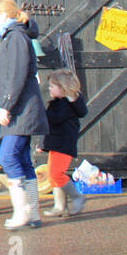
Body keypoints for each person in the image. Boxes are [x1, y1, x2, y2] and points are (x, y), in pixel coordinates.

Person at [0, 0, 49, 230]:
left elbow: (16, 75)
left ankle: (22, 213)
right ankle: (32, 213)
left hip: (20, 110)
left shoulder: (15, 38)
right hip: (22, 108)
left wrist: (6, 106)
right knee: (23, 160)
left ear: (4, 15)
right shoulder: (13, 36)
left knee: (7, 157)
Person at [40, 69, 89, 218]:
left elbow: (81, 111)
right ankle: (59, 206)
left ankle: (76, 196)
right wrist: (43, 144)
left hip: (64, 145)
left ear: (63, 88)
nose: (49, 89)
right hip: (56, 144)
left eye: (52, 86)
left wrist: (72, 97)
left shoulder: (70, 103)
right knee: (53, 175)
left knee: (56, 174)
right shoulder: (56, 103)